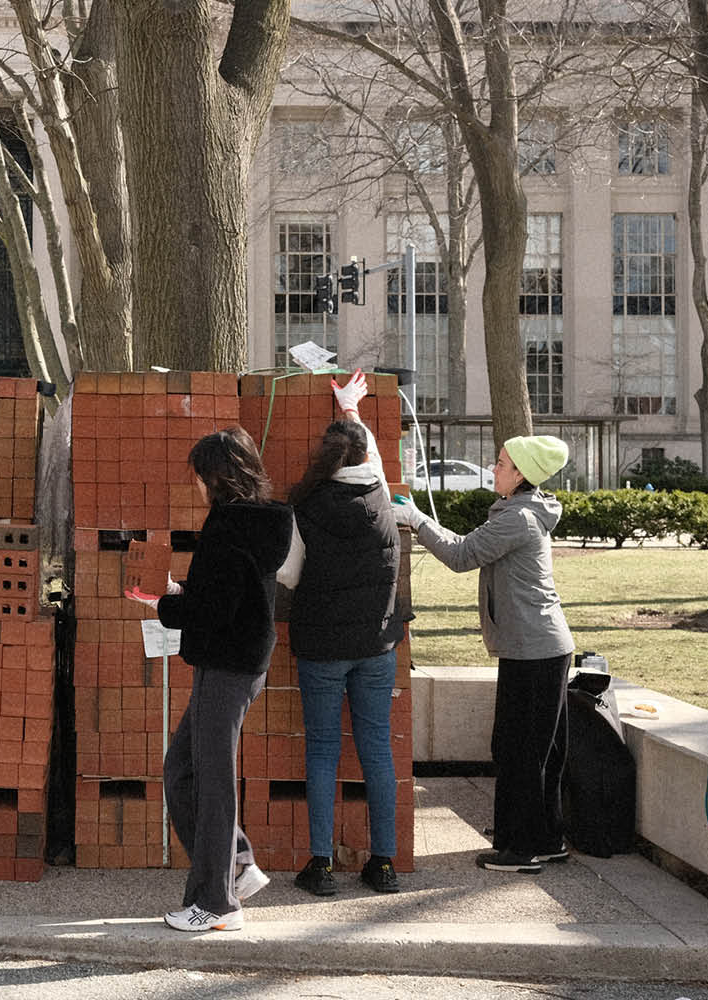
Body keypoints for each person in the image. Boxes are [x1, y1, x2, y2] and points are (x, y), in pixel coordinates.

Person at [128, 427, 292, 932]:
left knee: (212, 783)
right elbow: (228, 592)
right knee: (182, 770)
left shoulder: (227, 527)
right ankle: (238, 865)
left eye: (199, 475)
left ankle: (216, 904)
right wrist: (180, 591)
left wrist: (165, 604)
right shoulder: (256, 522)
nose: (195, 484)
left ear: (213, 477)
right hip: (238, 662)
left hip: (227, 665)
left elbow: (213, 609)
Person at [392, 434, 575, 873]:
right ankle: (547, 838)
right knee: (536, 749)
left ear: (521, 475)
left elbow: (461, 555)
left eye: (500, 463)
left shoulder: (520, 519)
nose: (493, 469)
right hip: (535, 647)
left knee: (520, 750)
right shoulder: (520, 511)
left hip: (535, 650)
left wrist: (416, 518)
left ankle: (522, 849)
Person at [276, 369, 405, 897]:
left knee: (323, 750)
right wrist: (351, 406)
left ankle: (322, 865)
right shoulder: (381, 496)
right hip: (378, 644)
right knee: (376, 749)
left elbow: (288, 575)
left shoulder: (306, 509)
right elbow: (367, 452)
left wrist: (345, 413)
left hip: (322, 647)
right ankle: (384, 864)